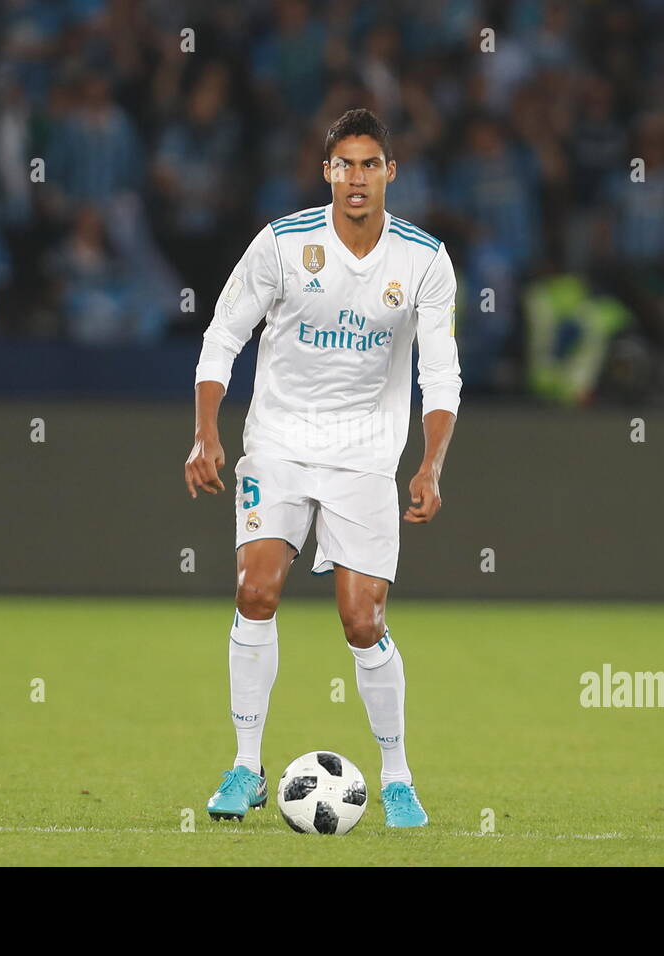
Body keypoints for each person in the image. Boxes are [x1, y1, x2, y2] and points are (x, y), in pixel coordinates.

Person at [184, 108, 460, 828]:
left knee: (362, 620)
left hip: (366, 455)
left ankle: (397, 776)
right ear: (326, 172)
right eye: (345, 165)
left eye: (371, 164)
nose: (357, 177)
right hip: (276, 443)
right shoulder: (281, 245)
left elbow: (443, 375)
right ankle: (246, 766)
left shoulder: (425, 261)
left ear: (390, 173)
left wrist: (429, 465)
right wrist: (205, 434)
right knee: (256, 589)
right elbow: (222, 337)